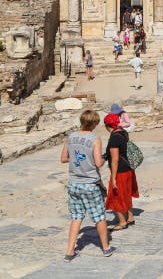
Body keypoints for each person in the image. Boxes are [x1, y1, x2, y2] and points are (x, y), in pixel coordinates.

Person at [61, 110, 116, 261]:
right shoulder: (94, 139)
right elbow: (98, 163)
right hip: (90, 183)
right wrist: (104, 157)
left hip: (74, 183)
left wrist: (77, 159)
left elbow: (64, 158)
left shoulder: (71, 137)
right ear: (94, 123)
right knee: (99, 217)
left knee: (76, 217)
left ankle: (70, 251)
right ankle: (106, 248)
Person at [103, 113, 139, 230]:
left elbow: (115, 160)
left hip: (120, 171)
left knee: (115, 196)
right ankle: (130, 217)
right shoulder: (123, 132)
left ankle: (122, 221)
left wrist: (113, 178)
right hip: (128, 169)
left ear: (107, 125)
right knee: (126, 194)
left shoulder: (114, 138)